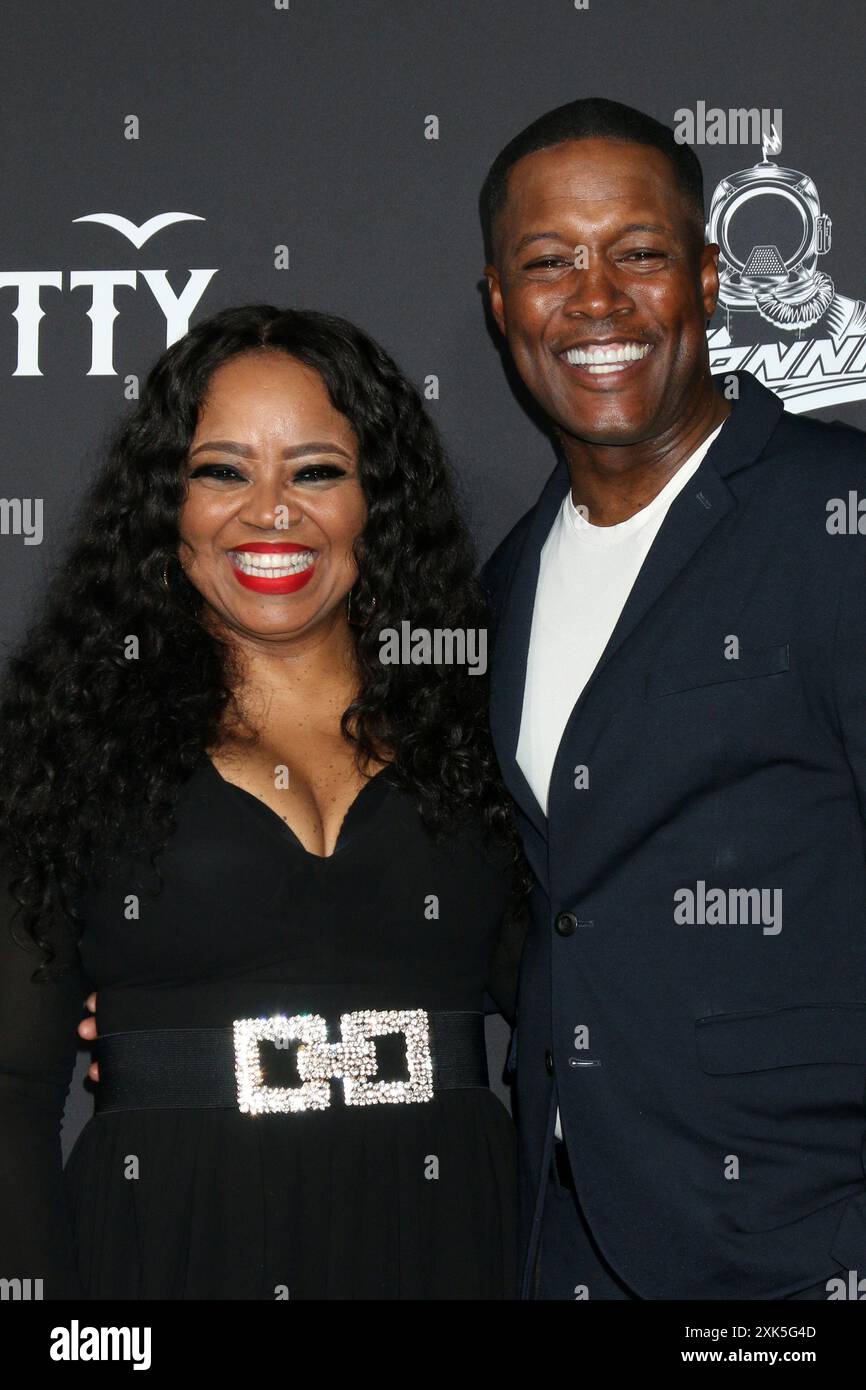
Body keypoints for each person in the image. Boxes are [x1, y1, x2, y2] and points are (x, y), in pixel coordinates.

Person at [0, 304, 526, 1300]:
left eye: (315, 470)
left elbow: (575, 1006)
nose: (269, 511)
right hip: (175, 1244)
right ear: (168, 506)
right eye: (222, 470)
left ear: (378, 498)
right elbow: (11, 1091)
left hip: (450, 1237)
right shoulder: (67, 748)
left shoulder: (486, 730)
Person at [479, 97, 866, 1300]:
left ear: (705, 277)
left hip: (801, 1241)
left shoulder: (832, 516)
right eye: (549, 263)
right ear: (499, 304)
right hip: (565, 1235)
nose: (593, 300)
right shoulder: (504, 580)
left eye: (637, 254)